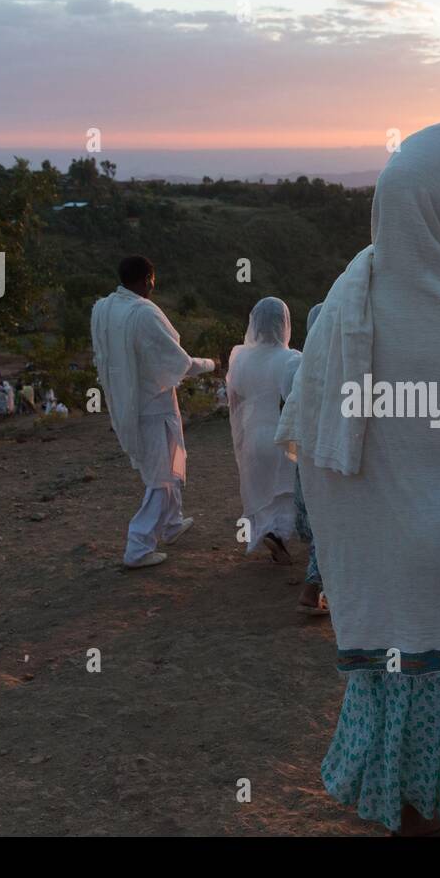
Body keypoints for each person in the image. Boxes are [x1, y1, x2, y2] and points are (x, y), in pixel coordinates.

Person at [276, 122, 440, 835]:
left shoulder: (341, 308)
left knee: (393, 688)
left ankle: (390, 795)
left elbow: (322, 443)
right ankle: (431, 799)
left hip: (385, 555)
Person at [91, 256, 219, 569]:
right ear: (149, 278)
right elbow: (178, 361)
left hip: (129, 401)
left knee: (171, 461)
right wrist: (213, 364)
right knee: (161, 475)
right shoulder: (143, 313)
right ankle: (138, 544)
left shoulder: (104, 308)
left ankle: (172, 523)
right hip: (153, 405)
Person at [227, 297, 301, 566]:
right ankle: (278, 534)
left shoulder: (239, 358)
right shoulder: (291, 359)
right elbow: (297, 401)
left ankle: (269, 532)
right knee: (285, 491)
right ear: (284, 324)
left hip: (252, 436)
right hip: (281, 436)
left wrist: (243, 436)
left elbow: (235, 400)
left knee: (263, 489)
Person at [290, 303, 327, 614]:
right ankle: (313, 588)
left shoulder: (305, 369)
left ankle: (316, 586)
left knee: (321, 522)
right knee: (331, 525)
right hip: (329, 457)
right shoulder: (342, 366)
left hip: (308, 457)